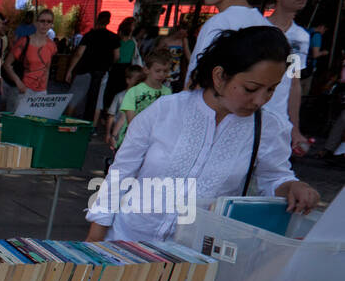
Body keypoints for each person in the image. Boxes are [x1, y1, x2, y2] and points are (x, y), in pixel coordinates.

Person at [86, 26, 319, 244]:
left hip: (195, 256)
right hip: (126, 242)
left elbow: (274, 178)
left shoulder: (268, 127)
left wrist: (292, 187)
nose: (260, 100)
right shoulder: (165, 110)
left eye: (271, 89)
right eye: (251, 88)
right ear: (219, 76)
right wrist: (93, 245)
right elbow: (120, 175)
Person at [185, 0, 304, 154]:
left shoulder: (221, 23)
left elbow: (196, 86)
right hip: (268, 141)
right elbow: (292, 83)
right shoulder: (272, 31)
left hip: (230, 142)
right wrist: (294, 128)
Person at [267, 0, 313, 153]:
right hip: (243, 114)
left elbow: (294, 82)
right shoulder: (255, 27)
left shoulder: (300, 37)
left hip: (276, 121)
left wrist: (295, 128)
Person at [65, 10, 120, 120]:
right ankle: (92, 128)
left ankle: (66, 121)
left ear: (97, 19)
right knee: (98, 101)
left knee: (74, 98)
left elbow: (78, 54)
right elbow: (117, 56)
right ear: (109, 21)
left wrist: (70, 70)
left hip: (85, 70)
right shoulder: (114, 37)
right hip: (102, 72)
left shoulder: (89, 35)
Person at [114, 51, 173, 147]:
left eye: (165, 71)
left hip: (154, 141)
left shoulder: (168, 92)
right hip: (132, 140)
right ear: (146, 70)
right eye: (158, 71)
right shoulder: (134, 91)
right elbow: (131, 120)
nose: (162, 74)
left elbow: (166, 118)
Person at [2, 7, 57, 107]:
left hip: (41, 91)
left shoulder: (51, 45)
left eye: (49, 22)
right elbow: (7, 64)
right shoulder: (24, 41)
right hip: (24, 89)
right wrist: (18, 82)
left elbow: (47, 68)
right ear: (36, 23)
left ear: (51, 24)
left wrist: (45, 88)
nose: (45, 24)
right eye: (42, 21)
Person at [106, 64, 145, 148]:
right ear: (128, 80)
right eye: (137, 80)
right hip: (119, 132)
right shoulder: (120, 96)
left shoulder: (142, 98)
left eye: (141, 81)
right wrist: (108, 133)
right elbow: (111, 116)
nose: (139, 83)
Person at [156, 26, 190, 94]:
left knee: (172, 83)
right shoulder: (165, 40)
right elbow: (156, 51)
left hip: (176, 66)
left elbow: (187, 53)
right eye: (180, 34)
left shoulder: (183, 40)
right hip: (165, 63)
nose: (181, 36)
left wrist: (192, 62)